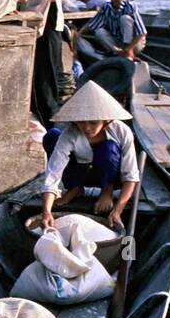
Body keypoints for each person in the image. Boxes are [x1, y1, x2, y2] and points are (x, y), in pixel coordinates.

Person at [41, 79, 139, 231]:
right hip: (82, 171)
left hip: (110, 176)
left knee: (108, 148)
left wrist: (118, 209)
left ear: (105, 121)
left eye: (93, 122)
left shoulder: (121, 131)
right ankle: (75, 187)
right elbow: (53, 173)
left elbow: (130, 176)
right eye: (81, 122)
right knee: (52, 136)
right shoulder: (70, 134)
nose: (86, 128)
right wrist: (46, 211)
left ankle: (106, 191)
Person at [80, 0, 147, 60]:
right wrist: (78, 33)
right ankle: (118, 53)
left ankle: (128, 54)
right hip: (118, 44)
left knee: (125, 18)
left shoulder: (130, 7)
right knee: (99, 32)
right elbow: (93, 24)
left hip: (134, 45)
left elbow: (142, 33)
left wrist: (128, 48)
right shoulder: (106, 6)